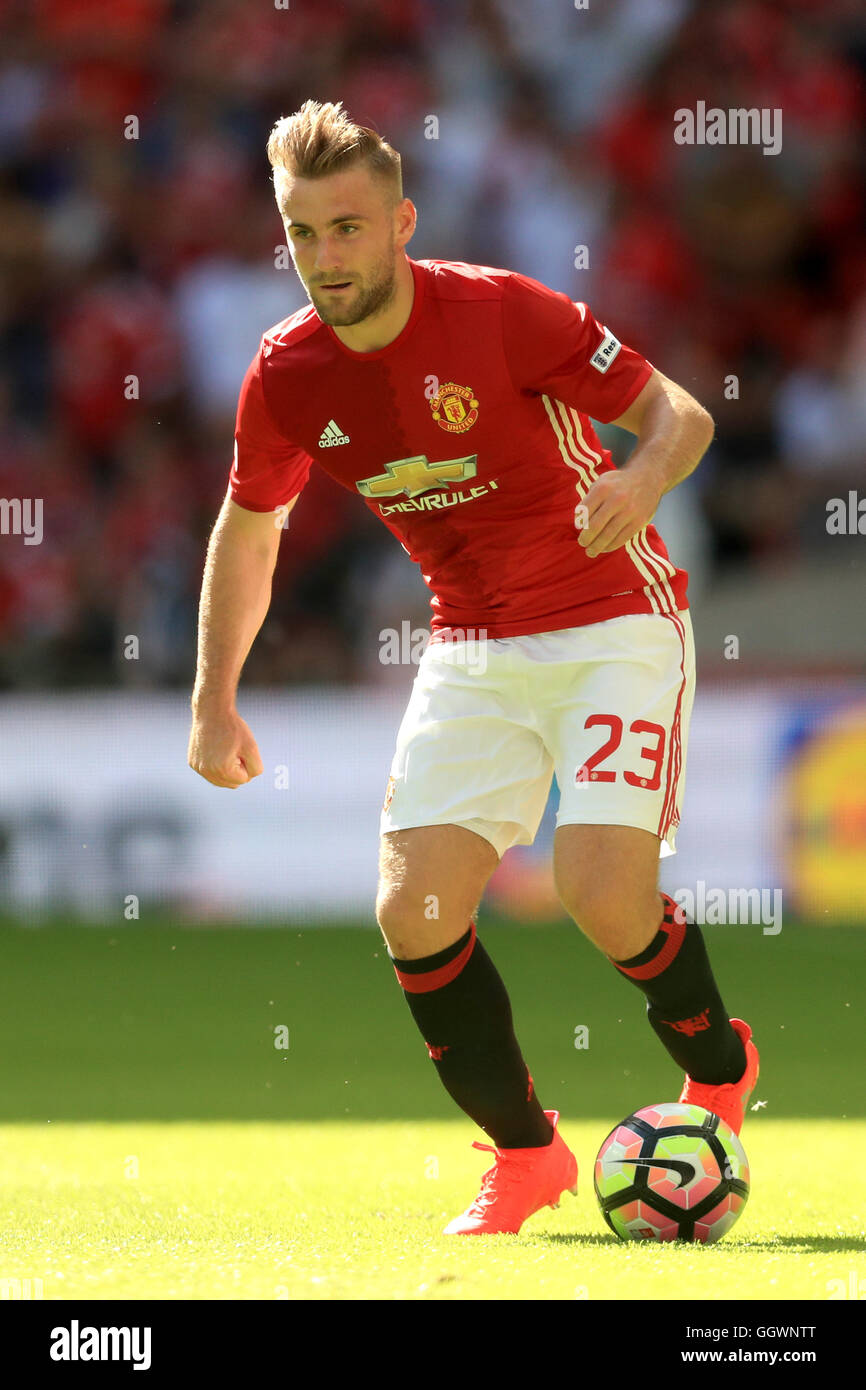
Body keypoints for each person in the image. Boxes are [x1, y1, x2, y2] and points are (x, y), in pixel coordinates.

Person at [187, 99, 759, 1236]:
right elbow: (248, 530)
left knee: (602, 895)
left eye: (348, 227)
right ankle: (525, 1156)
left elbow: (676, 416)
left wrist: (637, 484)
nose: (326, 256)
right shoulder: (286, 374)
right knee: (414, 913)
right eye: (303, 233)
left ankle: (715, 1060)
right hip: (470, 644)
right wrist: (212, 697)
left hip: (610, 618)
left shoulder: (499, 312)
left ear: (401, 221)